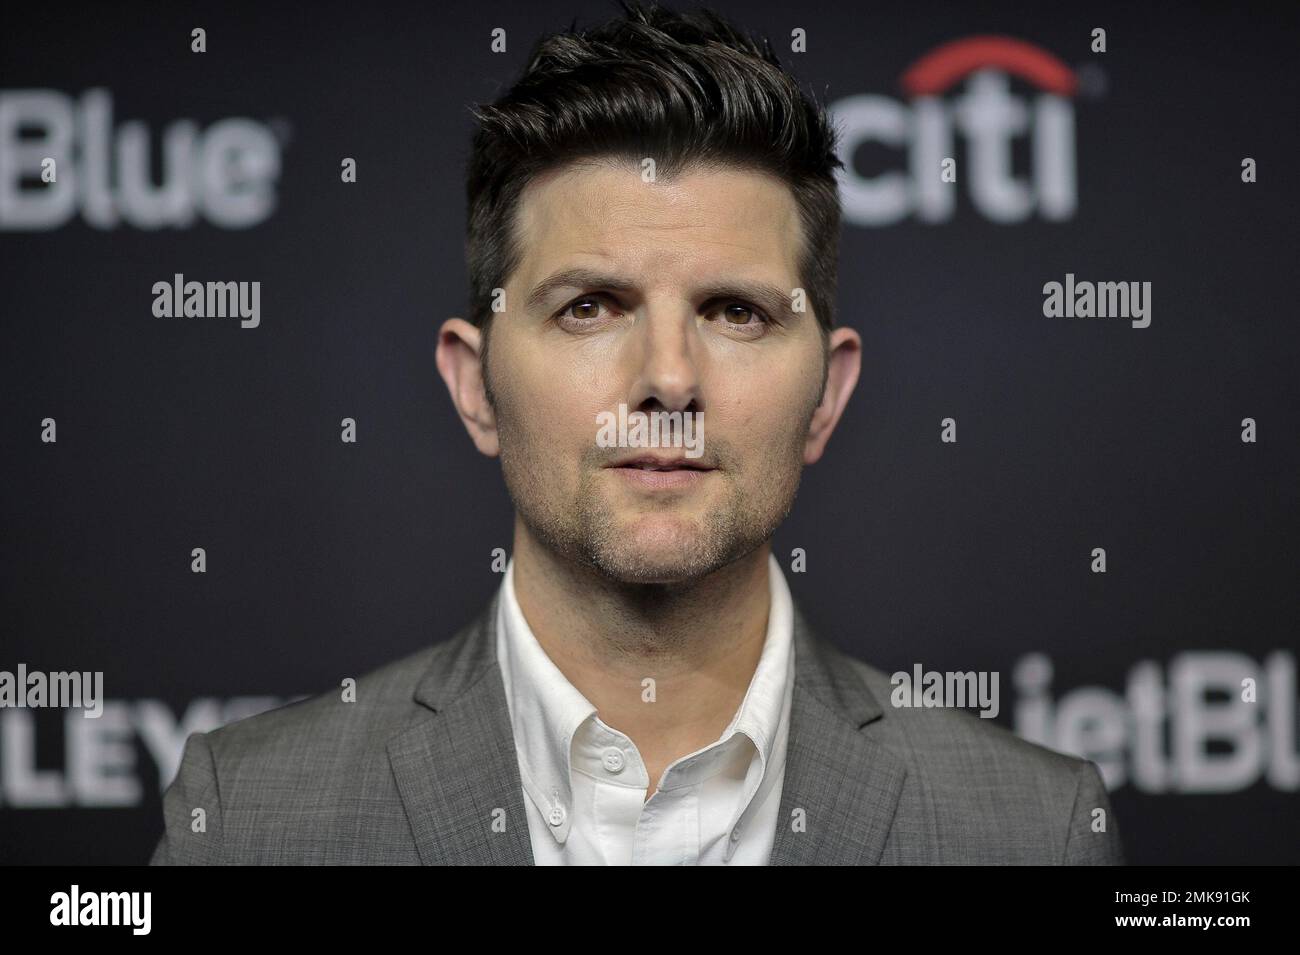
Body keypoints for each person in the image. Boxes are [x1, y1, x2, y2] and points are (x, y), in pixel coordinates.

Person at [151, 1, 1123, 865]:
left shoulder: (1030, 831)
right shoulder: (251, 822)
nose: (666, 378)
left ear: (825, 393)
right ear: (474, 386)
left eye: (736, 312)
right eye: (590, 307)